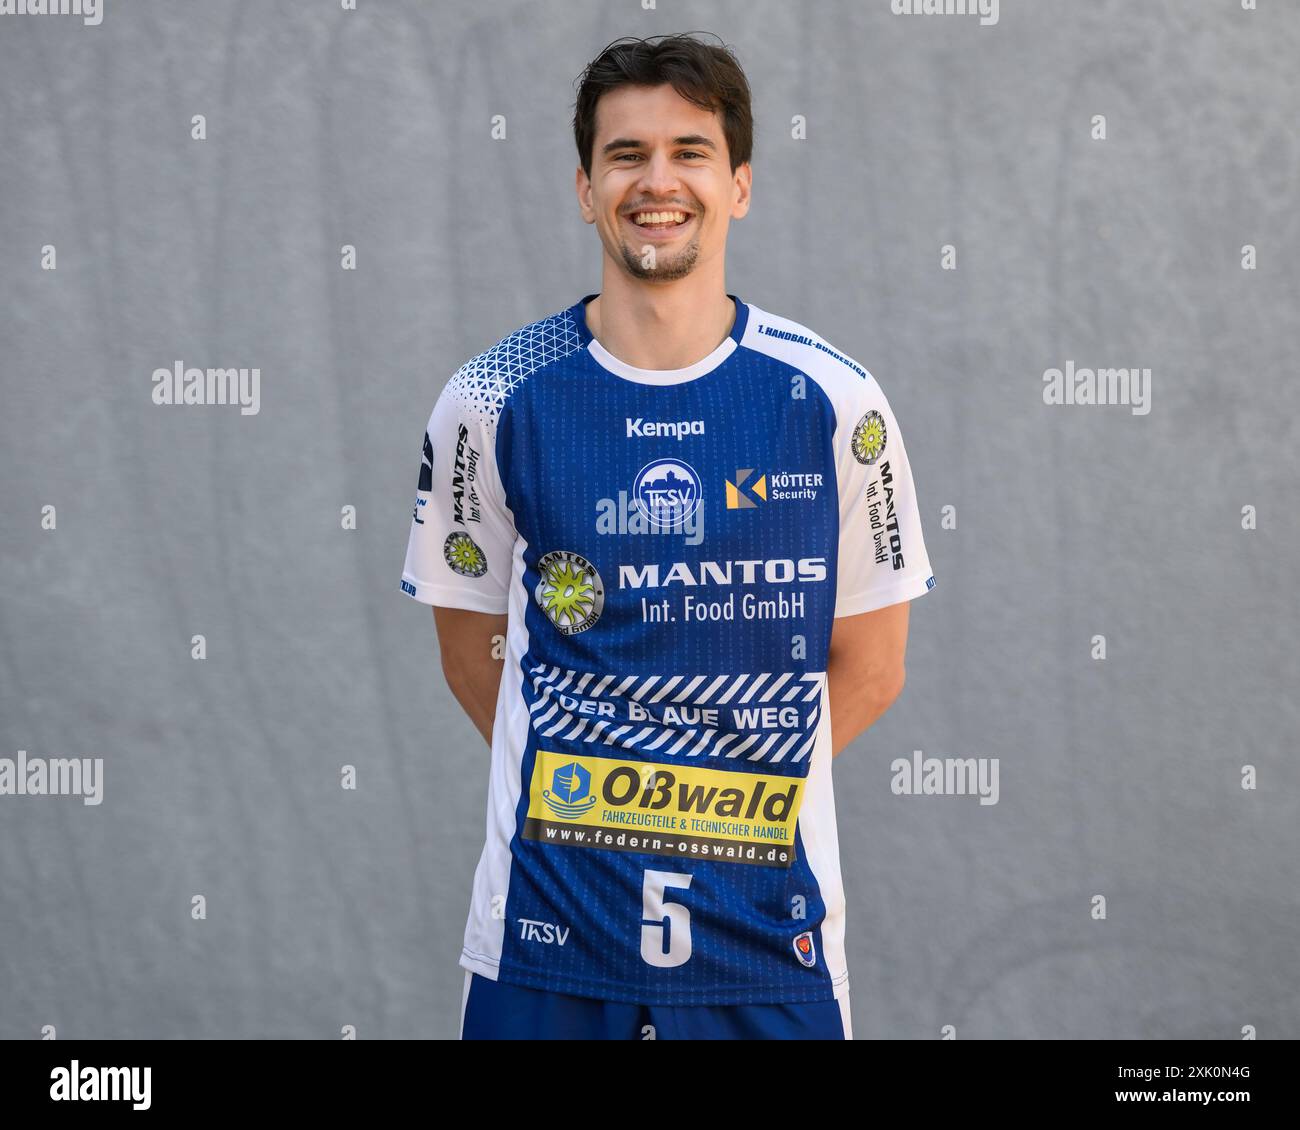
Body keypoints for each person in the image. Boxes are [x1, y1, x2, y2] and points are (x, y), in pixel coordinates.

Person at [399, 32, 936, 1040]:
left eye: (689, 152)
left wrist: (706, 803)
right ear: (584, 186)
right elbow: (473, 654)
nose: (658, 180)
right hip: (544, 935)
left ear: (738, 185)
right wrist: (600, 807)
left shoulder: (834, 400)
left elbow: (871, 664)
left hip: (767, 943)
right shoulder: (488, 398)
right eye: (625, 154)